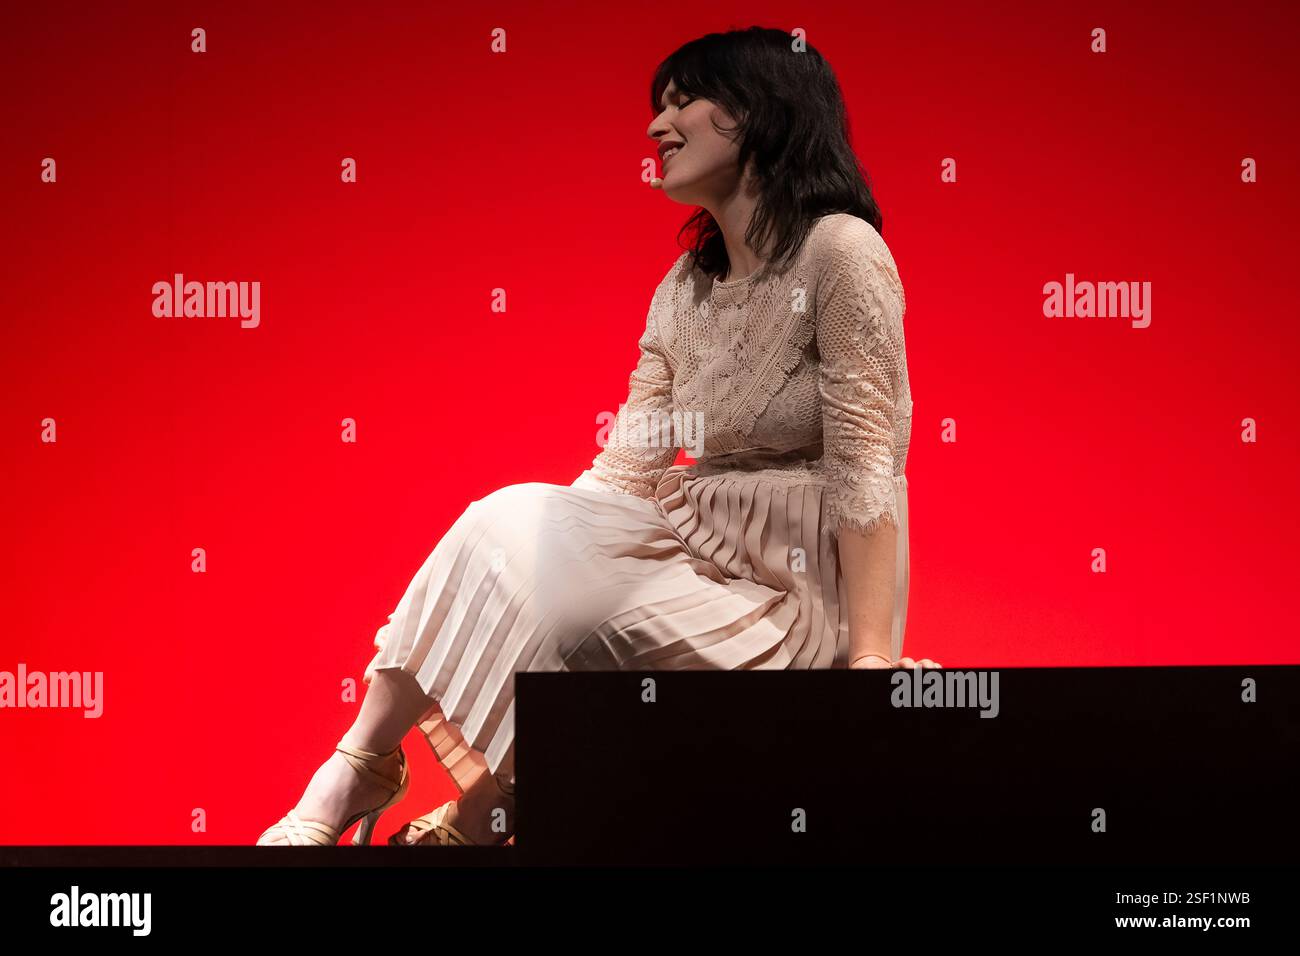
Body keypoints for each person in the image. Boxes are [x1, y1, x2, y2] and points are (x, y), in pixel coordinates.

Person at [256, 25, 939, 848]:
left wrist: (868, 666)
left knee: (585, 612)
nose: (657, 127)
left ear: (761, 111)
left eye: (683, 100)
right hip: (699, 555)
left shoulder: (841, 251)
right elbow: (627, 468)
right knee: (503, 531)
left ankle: (478, 817)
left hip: (798, 599)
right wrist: (542, 551)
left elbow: (869, 464)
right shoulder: (686, 288)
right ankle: (360, 764)